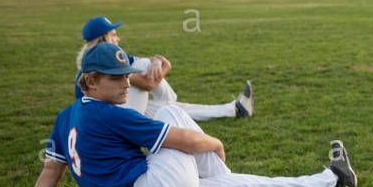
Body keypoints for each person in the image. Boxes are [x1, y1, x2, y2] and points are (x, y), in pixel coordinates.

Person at [0, 43, 356, 187]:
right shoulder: (107, 112)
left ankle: (333, 177)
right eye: (116, 78)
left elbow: (51, 171)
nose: (127, 82)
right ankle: (219, 171)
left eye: (126, 75)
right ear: (89, 82)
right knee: (168, 114)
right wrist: (214, 143)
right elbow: (183, 140)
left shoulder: (66, 117)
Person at [78, 16, 253, 120]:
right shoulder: (101, 64)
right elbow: (148, 85)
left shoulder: (102, 56)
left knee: (171, 109)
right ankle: (171, 102)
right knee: (145, 68)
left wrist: (156, 62)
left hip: (118, 109)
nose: (118, 39)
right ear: (103, 38)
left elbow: (154, 64)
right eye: (114, 35)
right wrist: (160, 65)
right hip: (110, 118)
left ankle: (235, 109)